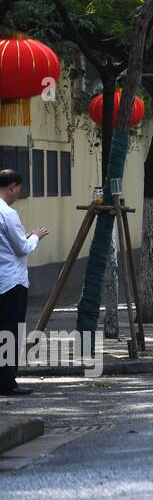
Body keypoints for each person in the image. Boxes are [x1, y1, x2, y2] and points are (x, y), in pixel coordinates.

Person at [0, 169, 48, 396]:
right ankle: (7, 382)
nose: (19, 194)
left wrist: (24, 237)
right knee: (10, 333)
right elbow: (22, 248)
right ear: (11, 187)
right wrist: (36, 235)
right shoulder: (8, 214)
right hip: (12, 282)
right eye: (18, 189)